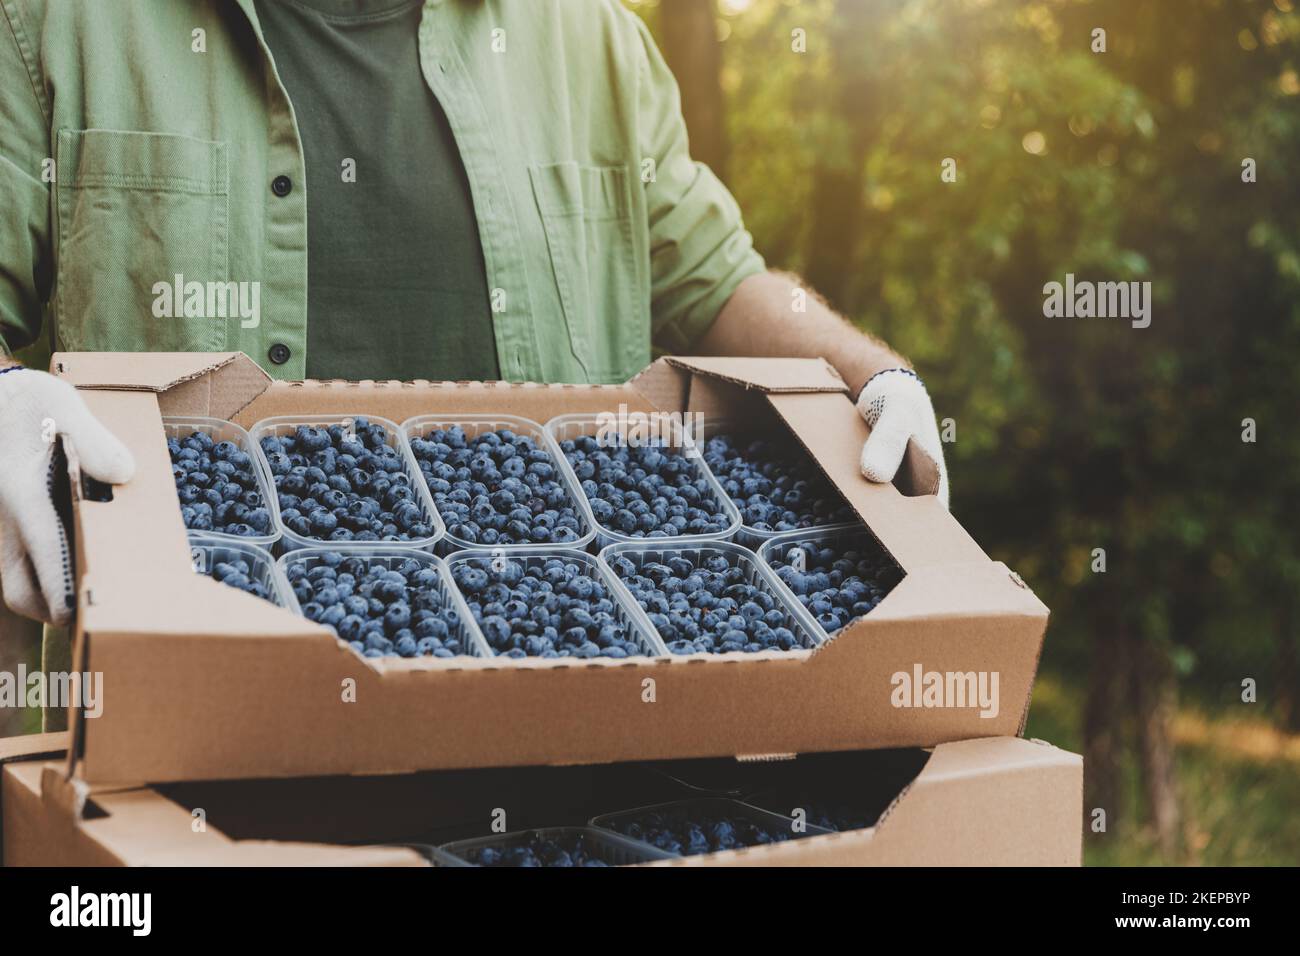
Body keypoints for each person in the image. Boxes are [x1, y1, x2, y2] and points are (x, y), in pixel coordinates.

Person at [0, 0, 947, 627]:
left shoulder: (591, 39)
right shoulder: (58, 25)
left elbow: (719, 280)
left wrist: (867, 370)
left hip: (564, 685)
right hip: (197, 695)